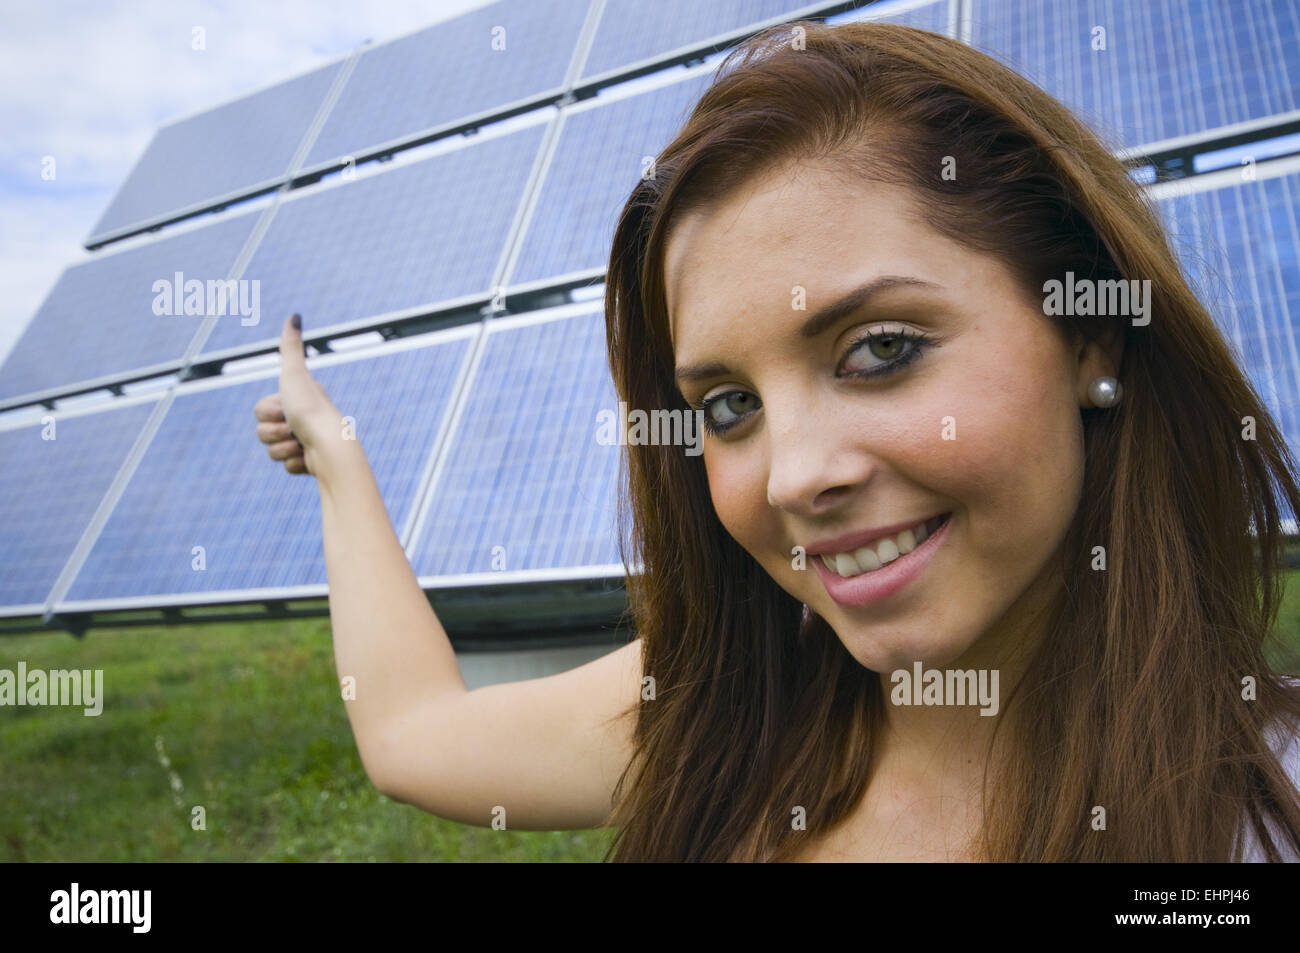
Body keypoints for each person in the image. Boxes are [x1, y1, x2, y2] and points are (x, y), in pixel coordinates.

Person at [254, 20, 1300, 861]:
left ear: (1088, 333)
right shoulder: (724, 715)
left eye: (881, 349)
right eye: (727, 407)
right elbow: (412, 738)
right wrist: (336, 458)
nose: (796, 477)